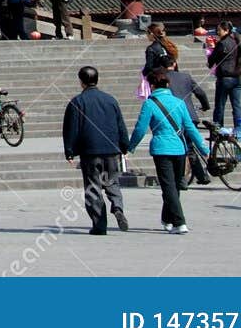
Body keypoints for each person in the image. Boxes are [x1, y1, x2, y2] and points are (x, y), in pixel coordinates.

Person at [128, 69, 209, 234]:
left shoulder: (149, 104)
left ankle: (179, 222)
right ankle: (167, 219)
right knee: (174, 186)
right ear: (167, 85)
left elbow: (140, 129)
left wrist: (131, 147)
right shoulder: (179, 102)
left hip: (161, 149)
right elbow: (190, 128)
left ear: (152, 86)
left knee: (169, 187)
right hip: (180, 148)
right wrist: (204, 148)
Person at [62, 65, 130, 234]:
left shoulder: (77, 102)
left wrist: (69, 151)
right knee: (112, 182)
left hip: (90, 151)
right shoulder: (110, 100)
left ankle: (99, 225)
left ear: (81, 81)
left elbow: (71, 129)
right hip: (111, 150)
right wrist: (124, 146)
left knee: (93, 187)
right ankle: (118, 207)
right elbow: (120, 125)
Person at [154, 52, 212, 188]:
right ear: (174, 64)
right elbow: (200, 93)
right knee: (189, 146)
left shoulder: (162, 79)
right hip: (191, 115)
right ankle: (201, 176)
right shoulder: (186, 76)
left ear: (161, 67)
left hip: (173, 118)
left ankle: (184, 179)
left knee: (184, 148)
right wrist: (205, 106)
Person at [206, 20, 241, 127]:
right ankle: (240, 127)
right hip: (236, 78)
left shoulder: (222, 43)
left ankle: (218, 127)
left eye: (219, 30)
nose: (217, 32)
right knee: (236, 106)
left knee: (220, 105)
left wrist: (211, 49)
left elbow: (212, 59)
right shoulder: (236, 42)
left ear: (226, 30)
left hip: (224, 78)